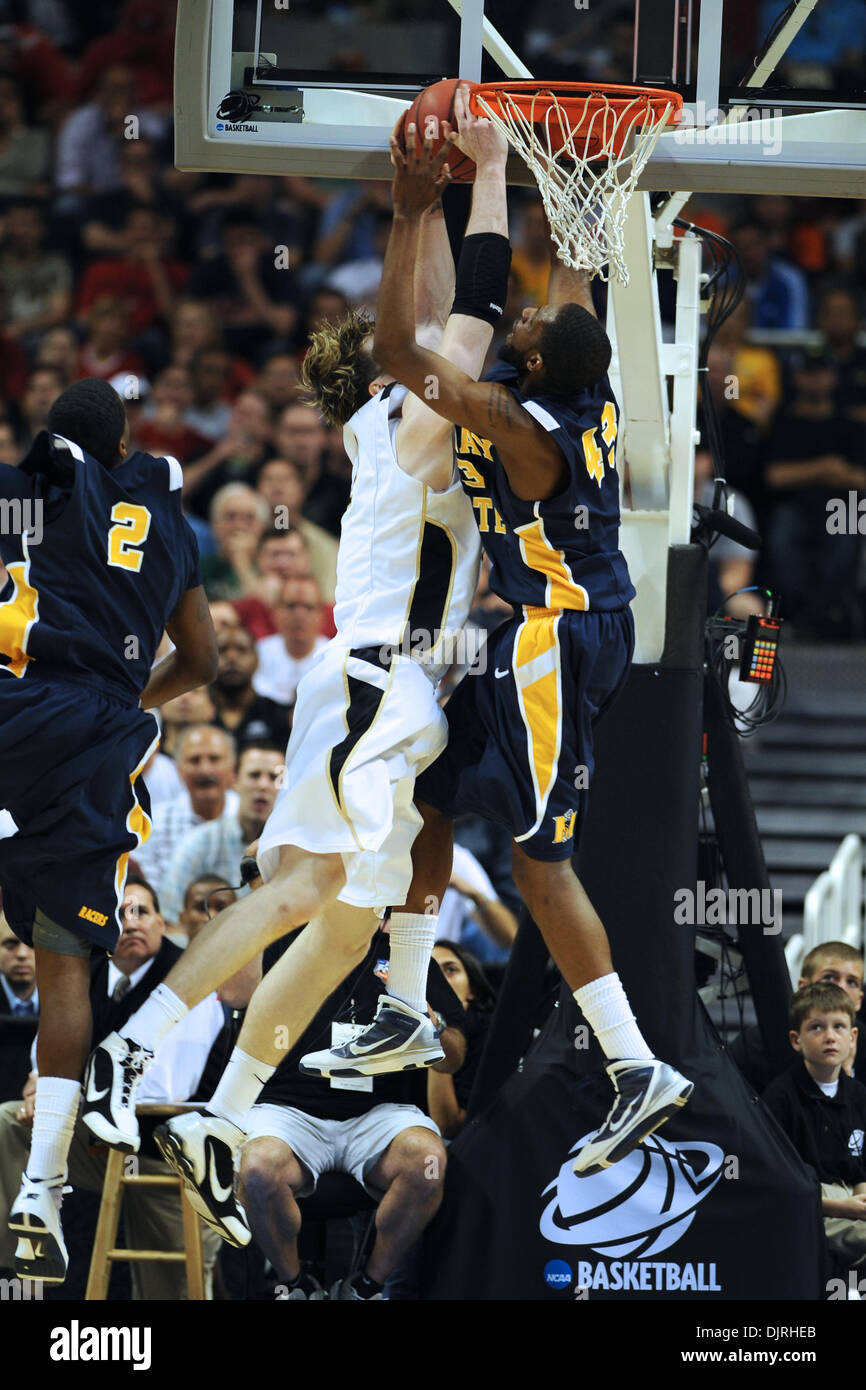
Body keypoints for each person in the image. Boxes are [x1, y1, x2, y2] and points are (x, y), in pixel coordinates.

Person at [81, 99, 505, 1245]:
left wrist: (412, 202)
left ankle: (219, 1108)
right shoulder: (419, 420)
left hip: (369, 679)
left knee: (334, 921)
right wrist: (498, 177)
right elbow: (469, 309)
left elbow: (423, 322)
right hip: (380, 678)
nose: (475, 360)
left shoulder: (387, 411)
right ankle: (129, 1045)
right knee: (307, 897)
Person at [362, 88, 692, 1176]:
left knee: (537, 862)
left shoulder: (517, 424)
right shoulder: (570, 389)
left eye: (531, 334)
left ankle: (634, 1061)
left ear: (535, 372)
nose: (524, 323)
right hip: (533, 633)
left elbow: (405, 358)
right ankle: (405, 1002)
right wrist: (572, 193)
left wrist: (420, 204)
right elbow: (572, 293)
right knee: (427, 797)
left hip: (560, 644)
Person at [0, 375, 217, 1283]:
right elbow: (202, 660)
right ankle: (41, 1191)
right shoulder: (171, 523)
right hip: (102, 737)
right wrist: (128, 694)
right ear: (125, 448)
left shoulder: (29, 491)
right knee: (63, 965)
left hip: (18, 703)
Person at [0, 877, 225, 1298]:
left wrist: (61, 1091)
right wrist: (38, 1086)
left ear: (162, 921)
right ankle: (21, 1269)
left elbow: (163, 1088)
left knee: (172, 1287)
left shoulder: (189, 975)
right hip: (96, 1141)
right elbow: (41, 1055)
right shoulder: (84, 972)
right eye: (120, 914)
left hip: (168, 1150)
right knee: (10, 1121)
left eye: (142, 911)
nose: (132, 921)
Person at [237, 919, 465, 1301]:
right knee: (257, 1168)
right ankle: (294, 1284)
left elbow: (454, 1059)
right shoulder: (288, 939)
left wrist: (432, 1023)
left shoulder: (406, 950)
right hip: (290, 1110)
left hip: (379, 1111)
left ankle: (366, 1287)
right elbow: (232, 994)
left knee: (428, 1162)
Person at [762, 982, 866, 1271]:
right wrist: (845, 1207)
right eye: (817, 1028)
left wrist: (861, 1200)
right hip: (811, 1205)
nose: (830, 1037)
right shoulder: (780, 1098)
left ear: (852, 1037)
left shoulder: (858, 1095)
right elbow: (780, 1184)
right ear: (797, 1040)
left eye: (839, 1027)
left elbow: (861, 1168)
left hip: (851, 1199)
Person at [732, 941, 866, 1092]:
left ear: (859, 1000)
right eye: (829, 977)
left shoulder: (863, 1039)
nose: (841, 987)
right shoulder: (756, 1045)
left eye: (852, 982)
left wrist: (846, 1073)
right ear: (803, 987)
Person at [427, 940, 496, 1139]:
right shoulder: (392, 1020)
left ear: (472, 989)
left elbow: (449, 1126)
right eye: (429, 970)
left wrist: (437, 1030)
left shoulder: (487, 1033)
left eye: (450, 969)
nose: (439, 981)